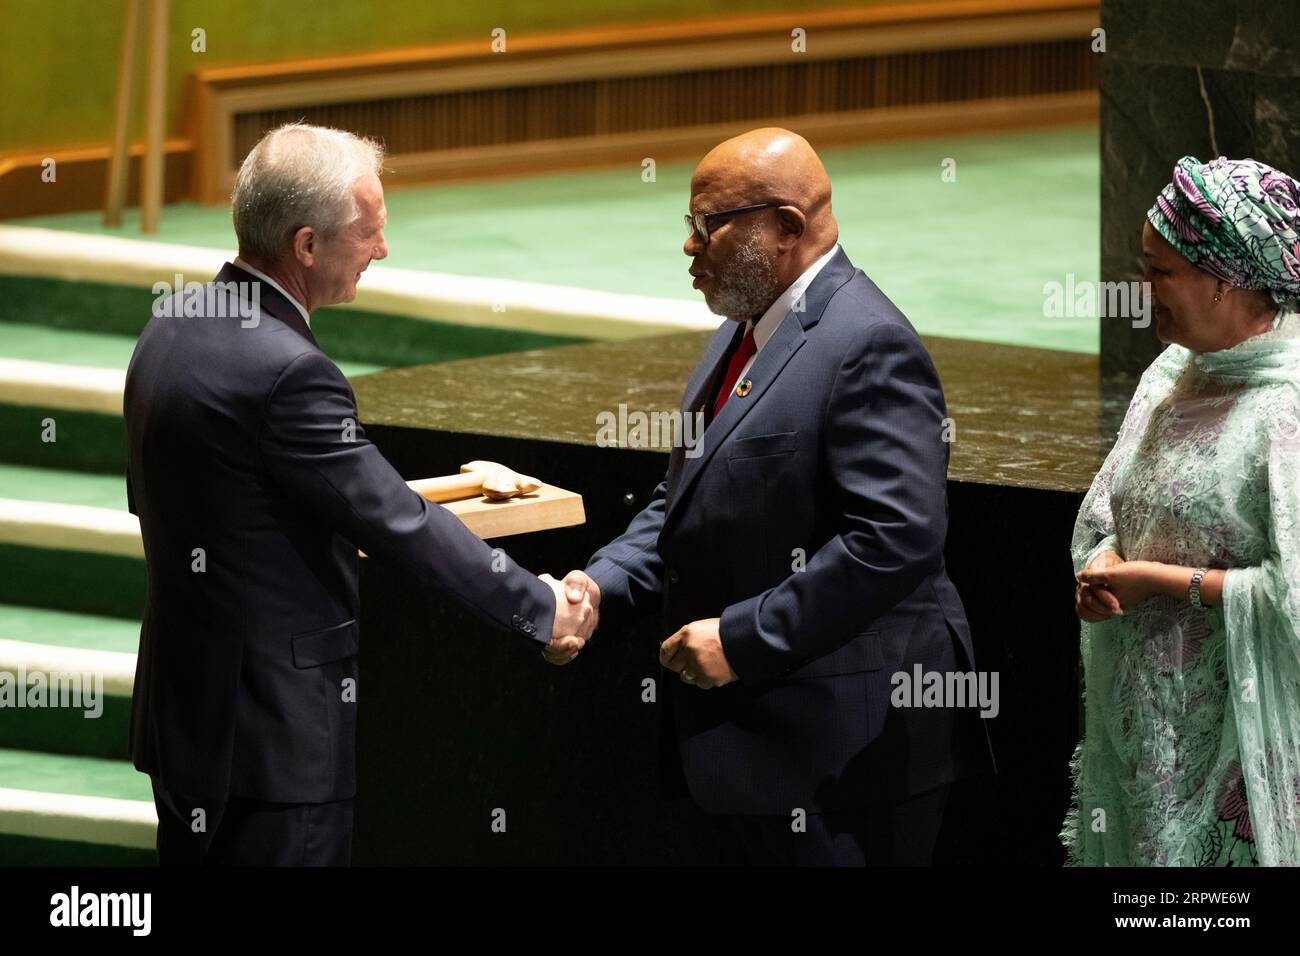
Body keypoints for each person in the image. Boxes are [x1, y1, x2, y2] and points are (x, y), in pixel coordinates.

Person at [124, 122, 594, 866]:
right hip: (277, 740)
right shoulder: (290, 374)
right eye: (369, 232)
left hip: (188, 720)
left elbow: (241, 500)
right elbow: (398, 521)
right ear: (307, 246)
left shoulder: (170, 327)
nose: (383, 249)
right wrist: (541, 610)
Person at [550, 127, 993, 865]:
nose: (690, 248)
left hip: (848, 758)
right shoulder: (747, 328)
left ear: (785, 228)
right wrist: (599, 585)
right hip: (756, 748)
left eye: (707, 227)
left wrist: (743, 638)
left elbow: (897, 538)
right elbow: (685, 497)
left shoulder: (869, 343)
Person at [1067, 155, 1300, 866]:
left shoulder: (1286, 406)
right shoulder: (1172, 372)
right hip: (1149, 733)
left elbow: (1294, 597)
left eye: (1160, 271)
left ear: (1225, 277)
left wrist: (1163, 584)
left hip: (1239, 738)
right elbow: (1112, 505)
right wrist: (1104, 561)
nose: (1144, 290)